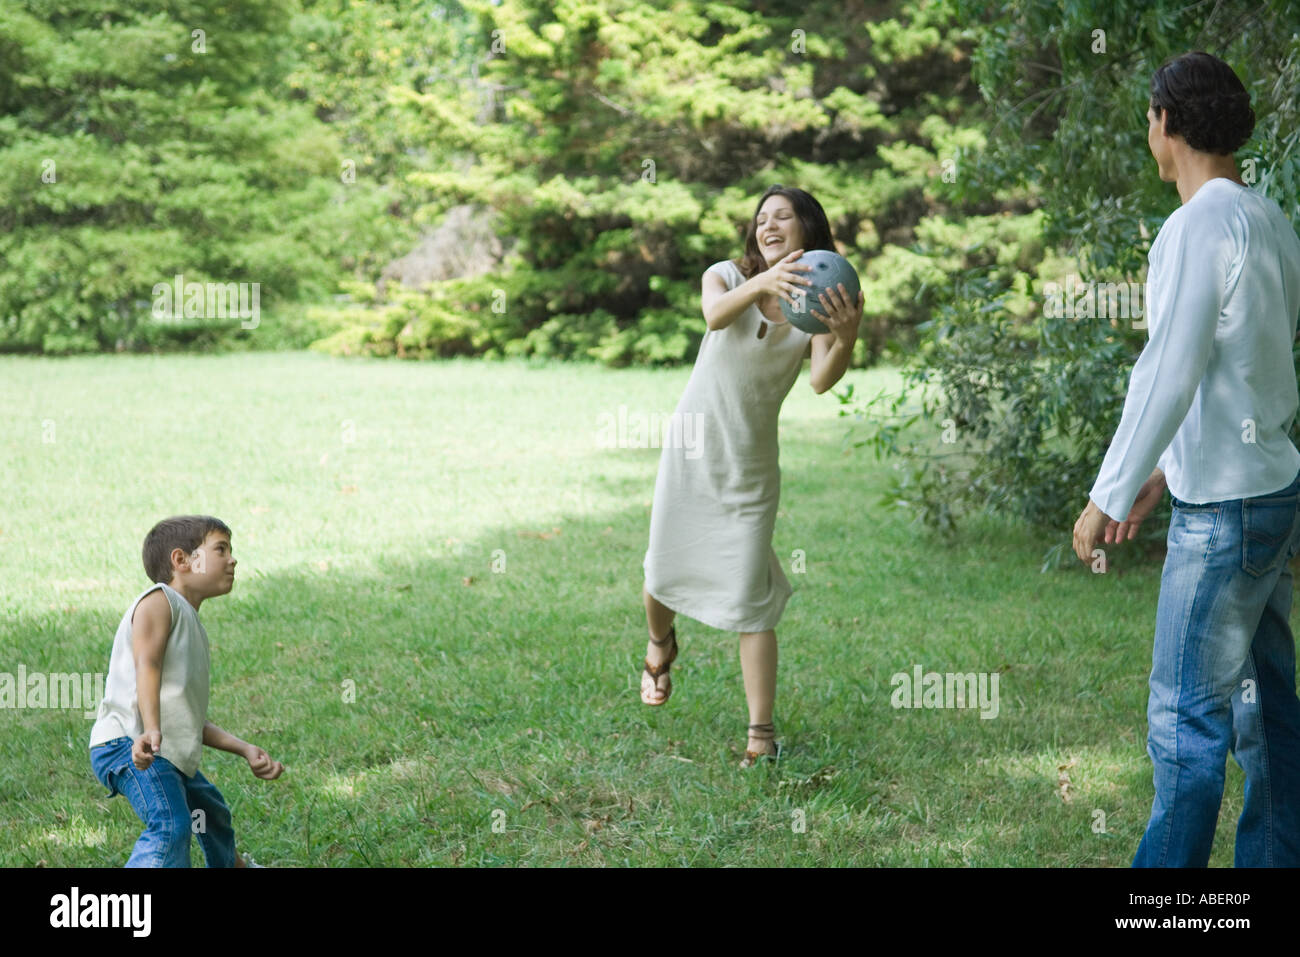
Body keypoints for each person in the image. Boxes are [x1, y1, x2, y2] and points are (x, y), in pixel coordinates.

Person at [1073, 51, 1300, 866]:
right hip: (1272, 493)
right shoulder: (1269, 220)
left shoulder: (1196, 224)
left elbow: (1167, 372)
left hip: (1226, 520)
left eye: (1147, 115)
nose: (1148, 129)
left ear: (1168, 121)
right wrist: (1163, 472)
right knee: (1267, 710)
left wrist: (1109, 492)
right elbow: (1244, 371)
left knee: (1184, 723)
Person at [640, 185, 864, 768]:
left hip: (751, 465)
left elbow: (821, 380)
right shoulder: (726, 276)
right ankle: (660, 645)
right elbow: (715, 317)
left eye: (782, 217)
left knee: (751, 598)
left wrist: (845, 335)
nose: (768, 225)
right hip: (692, 448)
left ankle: (760, 735)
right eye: (762, 218)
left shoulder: (812, 305)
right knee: (661, 573)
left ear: (806, 231)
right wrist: (762, 282)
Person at [89, 515, 283, 867]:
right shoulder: (159, 601)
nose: (232, 559)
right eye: (220, 549)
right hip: (127, 743)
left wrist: (244, 749)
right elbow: (146, 665)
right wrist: (149, 729)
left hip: (165, 751)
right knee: (171, 826)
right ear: (181, 561)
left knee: (210, 815)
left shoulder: (190, 622)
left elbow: (188, 720)